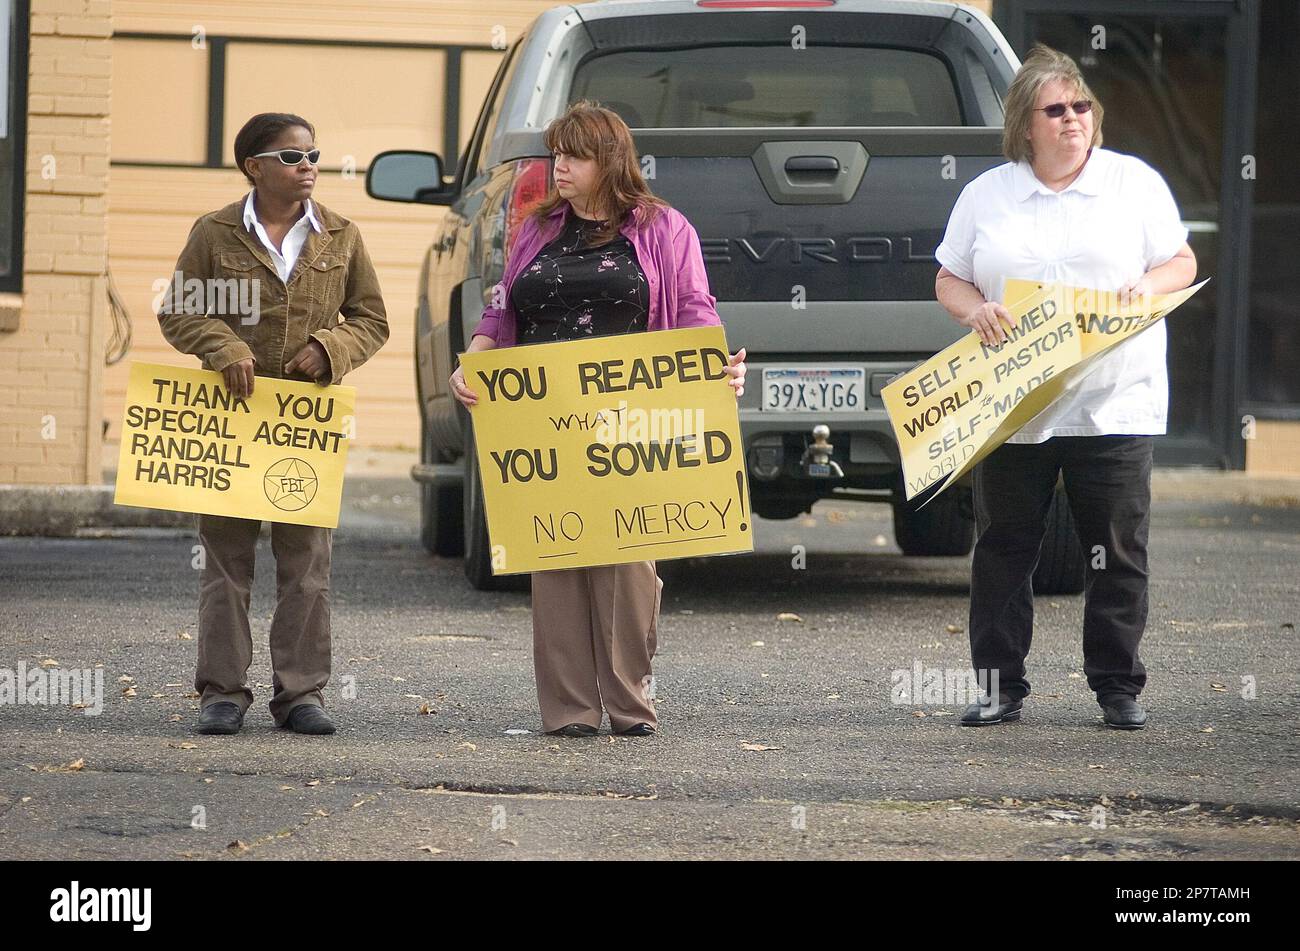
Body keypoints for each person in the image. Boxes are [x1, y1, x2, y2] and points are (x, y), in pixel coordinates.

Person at [450, 101, 746, 738]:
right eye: (557, 153)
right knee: (554, 555)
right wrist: (473, 361)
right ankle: (569, 711)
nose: (560, 165)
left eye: (575, 154)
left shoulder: (664, 228)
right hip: (544, 414)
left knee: (628, 558)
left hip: (631, 416)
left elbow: (695, 310)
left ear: (611, 161)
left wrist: (716, 369)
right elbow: (502, 313)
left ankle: (629, 704)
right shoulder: (535, 228)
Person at [933, 45, 1196, 730]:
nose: (1073, 118)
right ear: (1026, 125)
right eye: (1057, 110)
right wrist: (973, 309)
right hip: (1016, 404)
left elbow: (1182, 259)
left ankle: (1117, 688)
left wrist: (1151, 283)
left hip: (1114, 400)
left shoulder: (1132, 183)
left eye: (1082, 106)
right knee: (1002, 550)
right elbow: (949, 276)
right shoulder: (986, 194)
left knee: (1117, 550)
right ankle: (999, 688)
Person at [157, 113, 389, 736]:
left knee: (307, 564)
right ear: (254, 167)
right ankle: (223, 693)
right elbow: (178, 312)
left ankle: (301, 694)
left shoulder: (341, 235)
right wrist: (221, 345)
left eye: (312, 153)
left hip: (304, 423)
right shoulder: (215, 233)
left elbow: (371, 319)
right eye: (291, 156)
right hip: (230, 423)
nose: (307, 164)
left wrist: (330, 348)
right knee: (227, 564)